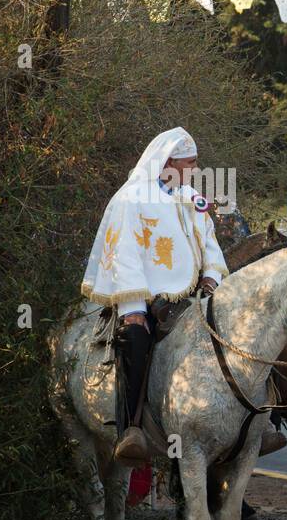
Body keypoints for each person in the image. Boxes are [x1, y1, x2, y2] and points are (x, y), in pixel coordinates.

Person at [81, 127, 230, 463]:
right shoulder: (132, 199)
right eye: (188, 163)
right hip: (147, 301)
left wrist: (210, 278)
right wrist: (132, 306)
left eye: (195, 163)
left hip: (194, 297)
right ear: (167, 163)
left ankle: (251, 423)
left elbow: (209, 243)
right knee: (135, 337)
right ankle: (131, 428)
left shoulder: (191, 197)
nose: (194, 169)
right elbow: (124, 253)